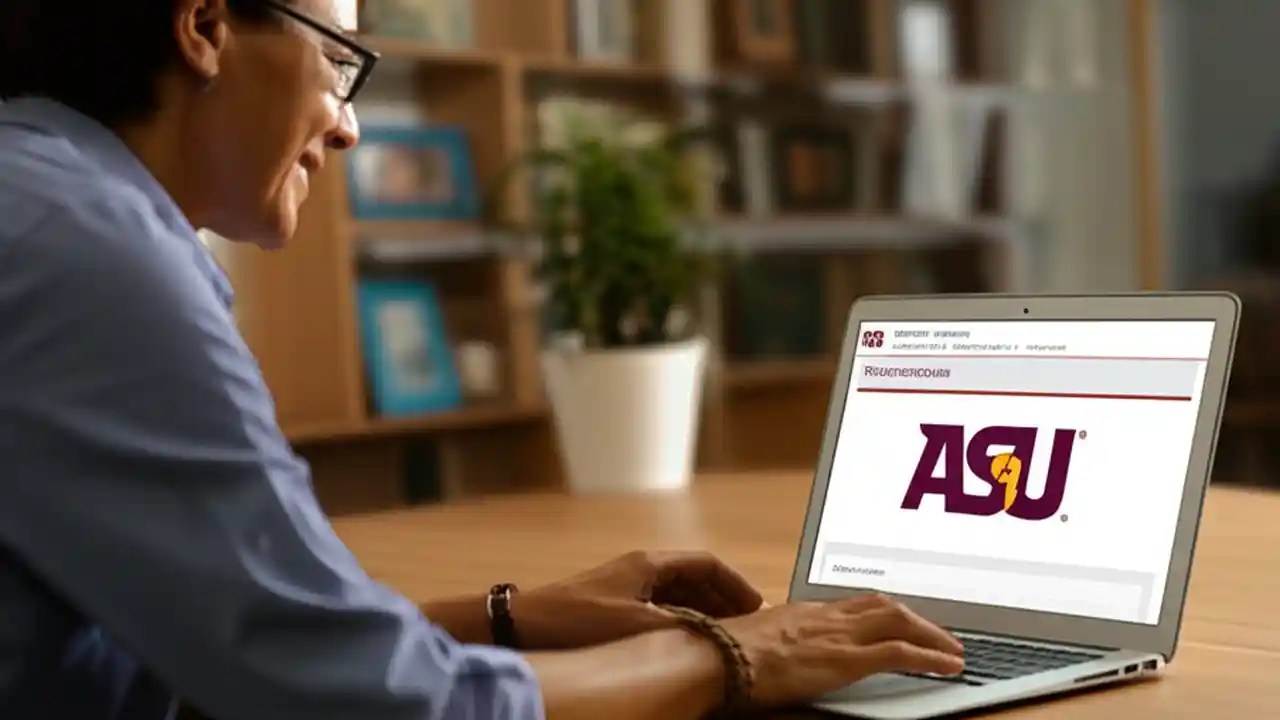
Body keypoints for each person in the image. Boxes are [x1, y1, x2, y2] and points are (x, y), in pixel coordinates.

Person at [0, 1, 966, 718]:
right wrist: (743, 654)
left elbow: (226, 638)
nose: (349, 122)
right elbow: (366, 707)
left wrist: (512, 616)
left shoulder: (45, 197)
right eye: (339, 60)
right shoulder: (89, 249)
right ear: (205, 23)